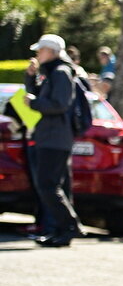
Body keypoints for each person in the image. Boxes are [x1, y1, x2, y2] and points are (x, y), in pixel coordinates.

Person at [23, 34, 81, 247]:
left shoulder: (61, 72)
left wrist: (35, 103)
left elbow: (59, 104)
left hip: (55, 139)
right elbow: (40, 96)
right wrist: (31, 77)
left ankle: (69, 226)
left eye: (41, 50)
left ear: (51, 51)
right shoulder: (52, 72)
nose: (38, 55)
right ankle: (59, 229)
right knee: (52, 185)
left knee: (48, 185)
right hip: (50, 137)